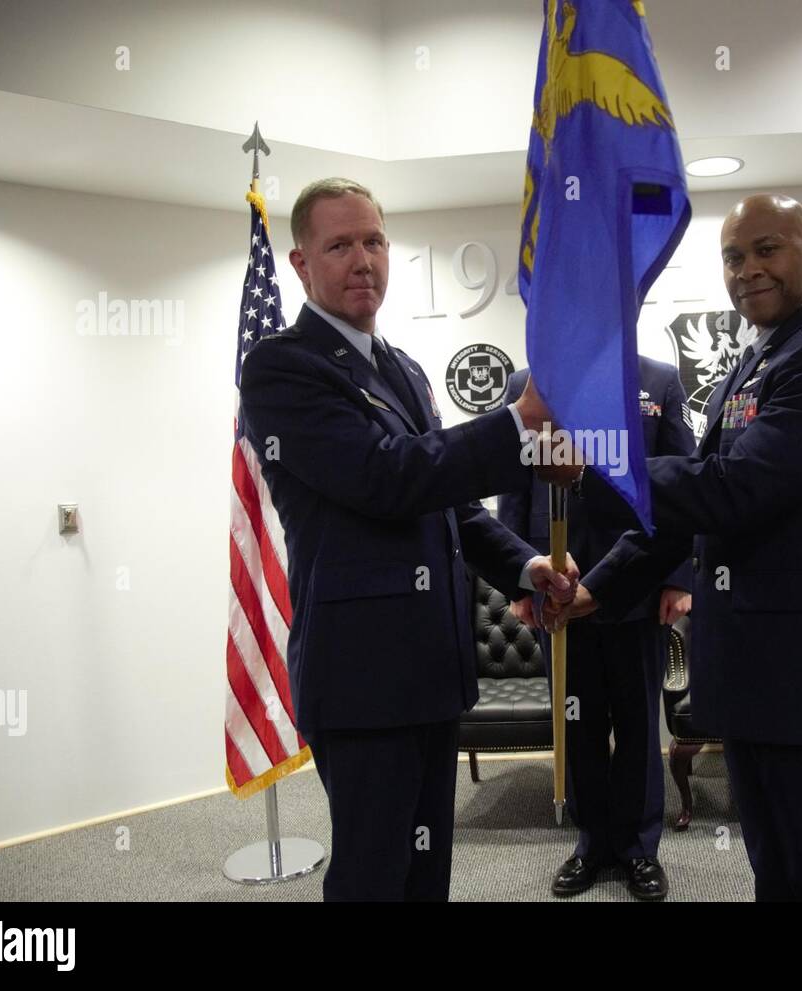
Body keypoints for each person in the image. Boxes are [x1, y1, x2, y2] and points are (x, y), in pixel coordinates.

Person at [540, 194, 802, 901]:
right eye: (734, 257)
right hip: (754, 671)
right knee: (779, 871)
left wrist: (595, 467)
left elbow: (733, 487)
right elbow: (689, 517)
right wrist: (598, 588)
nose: (748, 270)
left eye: (767, 249)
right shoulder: (754, 362)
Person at [238, 178, 576, 901]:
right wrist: (518, 425)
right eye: (339, 245)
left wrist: (527, 566)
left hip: (431, 672)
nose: (362, 259)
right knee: (372, 878)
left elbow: (447, 503)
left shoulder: (403, 369)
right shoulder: (280, 367)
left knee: (425, 877)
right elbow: (385, 477)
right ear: (301, 263)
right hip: (361, 679)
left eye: (373, 240)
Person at [499, 358, 694, 900]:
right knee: (577, 724)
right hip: (555, 585)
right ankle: (590, 844)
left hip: (637, 581)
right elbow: (513, 487)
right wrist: (517, 584)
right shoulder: (528, 384)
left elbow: (681, 482)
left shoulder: (658, 380)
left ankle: (638, 849)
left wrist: (677, 578)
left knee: (637, 726)